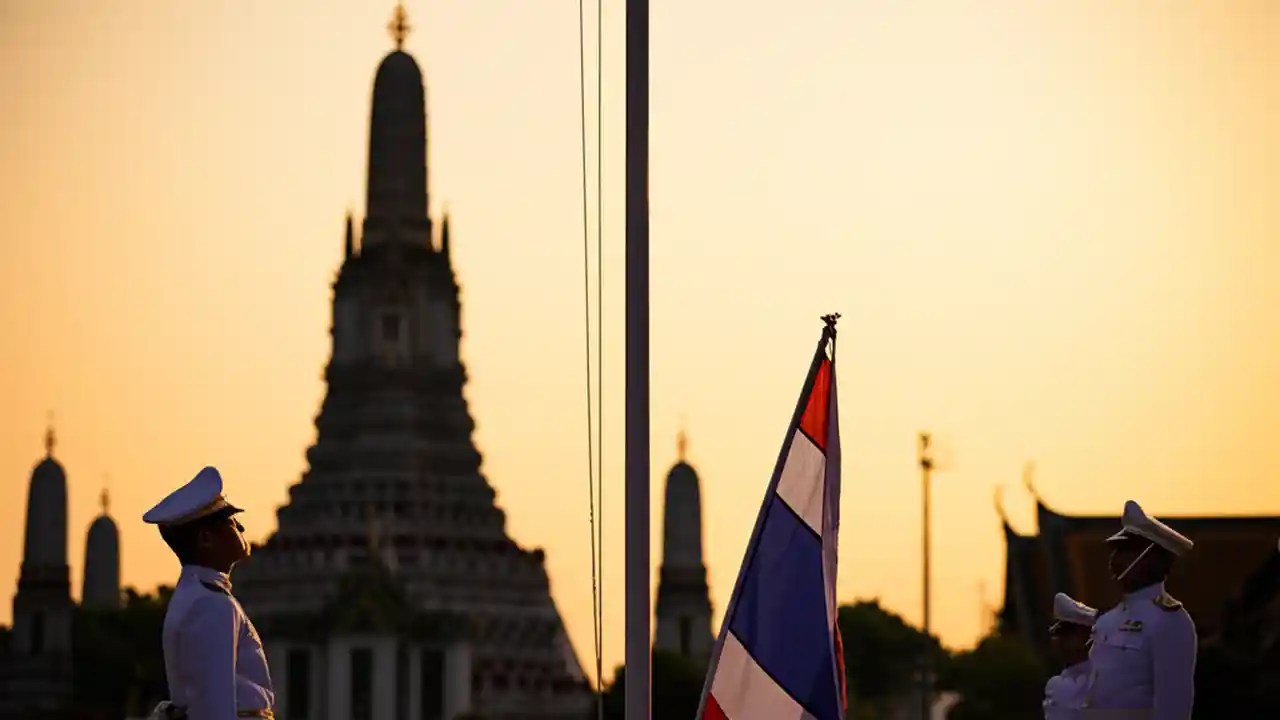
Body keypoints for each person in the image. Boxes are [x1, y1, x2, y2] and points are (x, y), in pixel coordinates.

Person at [143, 466, 275, 719]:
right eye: (229, 521)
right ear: (206, 538)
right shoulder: (211, 604)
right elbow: (215, 705)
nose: (241, 528)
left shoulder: (197, 595)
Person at [1082, 500, 1196, 719]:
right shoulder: (1107, 621)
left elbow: (1173, 705)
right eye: (1115, 552)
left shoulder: (1170, 621)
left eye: (1126, 553)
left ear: (1153, 559)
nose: (1114, 561)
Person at [1044, 592, 1097, 719]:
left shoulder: (1058, 686)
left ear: (1086, 636)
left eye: (1065, 634)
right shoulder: (1106, 673)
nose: (1058, 641)